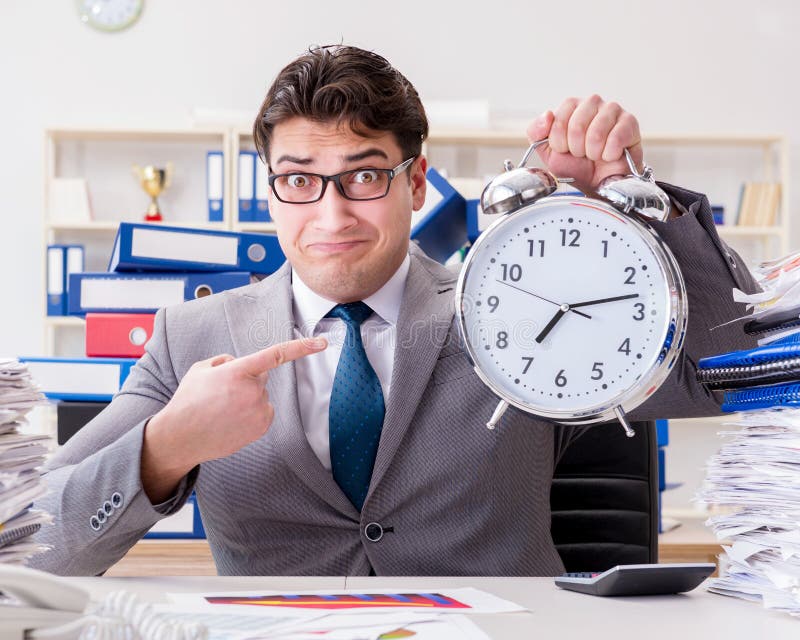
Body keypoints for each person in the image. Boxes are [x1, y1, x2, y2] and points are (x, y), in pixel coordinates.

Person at [30, 45, 757, 576]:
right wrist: (165, 448)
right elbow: (37, 545)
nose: (332, 213)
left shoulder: (509, 312)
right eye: (300, 181)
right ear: (269, 190)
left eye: (365, 176)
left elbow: (732, 370)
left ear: (416, 184)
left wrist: (631, 205)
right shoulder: (191, 338)